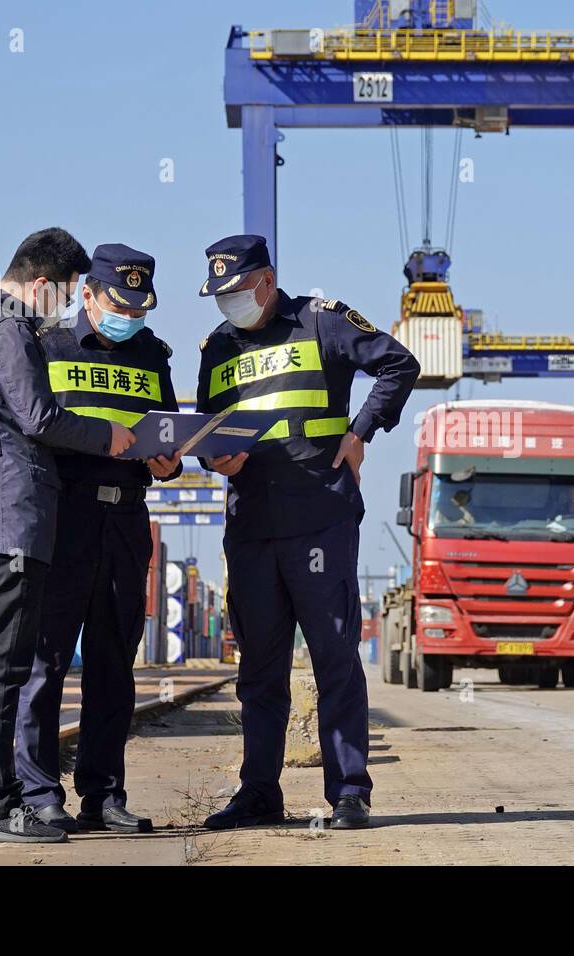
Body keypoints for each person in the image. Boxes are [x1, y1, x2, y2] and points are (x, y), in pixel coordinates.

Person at [194, 235, 419, 831]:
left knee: (334, 660)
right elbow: (203, 431)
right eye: (218, 295)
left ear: (265, 281)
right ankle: (259, 793)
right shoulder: (217, 347)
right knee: (259, 670)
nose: (227, 304)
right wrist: (212, 461)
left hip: (318, 517)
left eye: (236, 291)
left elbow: (399, 363)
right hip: (251, 529)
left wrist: (362, 431)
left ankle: (349, 791)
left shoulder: (321, 321)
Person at [0, 228, 136, 844]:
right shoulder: (12, 330)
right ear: (41, 284)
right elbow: (38, 416)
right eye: (67, 294)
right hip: (11, 520)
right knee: (4, 665)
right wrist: (107, 436)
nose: (66, 308)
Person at [14, 244, 182, 834]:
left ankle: (103, 795)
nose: (130, 316)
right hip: (63, 520)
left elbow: (167, 433)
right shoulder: (46, 344)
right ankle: (38, 794)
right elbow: (32, 428)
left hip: (127, 521)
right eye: (119, 303)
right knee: (46, 660)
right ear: (87, 293)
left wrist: (168, 463)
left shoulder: (152, 356)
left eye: (140, 307)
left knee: (114, 664)